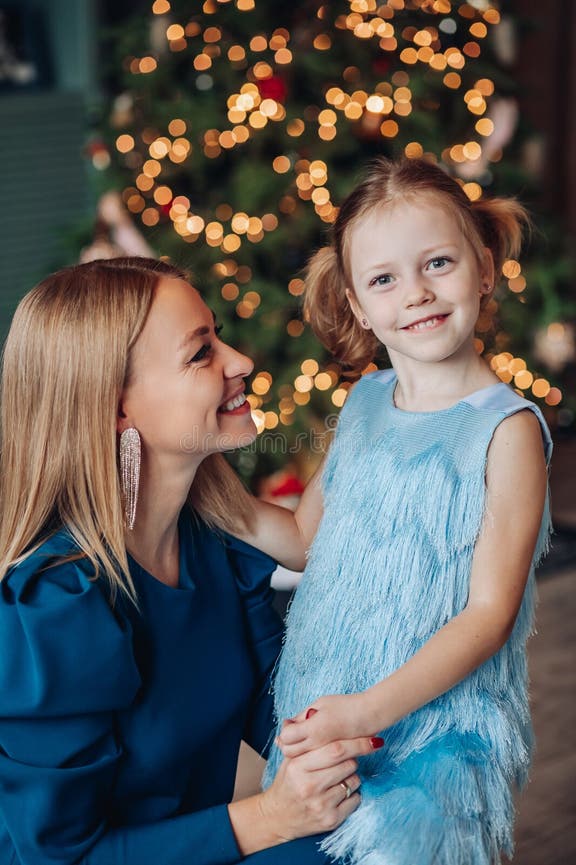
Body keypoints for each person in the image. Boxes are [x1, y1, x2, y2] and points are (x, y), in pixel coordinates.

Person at [0, 257, 381, 865]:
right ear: (117, 409)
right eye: (201, 353)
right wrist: (271, 816)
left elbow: (286, 715)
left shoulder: (215, 546)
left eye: (218, 336)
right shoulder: (55, 604)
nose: (242, 361)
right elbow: (62, 858)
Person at [234, 158, 552, 864]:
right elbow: (303, 539)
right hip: (327, 700)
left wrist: (366, 712)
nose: (417, 293)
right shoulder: (365, 400)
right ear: (357, 304)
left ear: (484, 269)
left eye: (438, 263)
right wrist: (200, 488)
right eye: (384, 279)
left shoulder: (506, 430)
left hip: (436, 741)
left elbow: (489, 615)